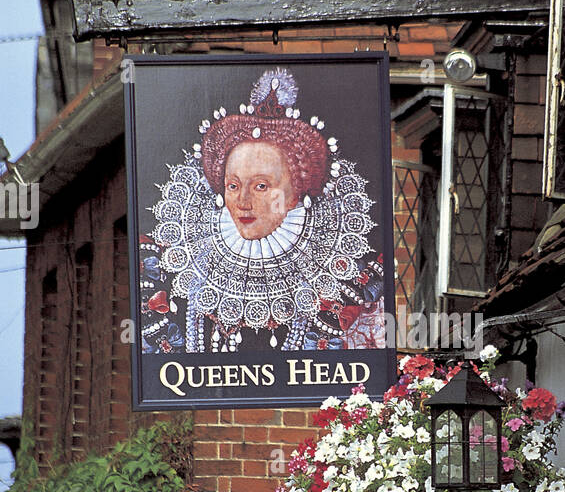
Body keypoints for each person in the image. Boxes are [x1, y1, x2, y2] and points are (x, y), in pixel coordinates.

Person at [139, 68, 385, 355]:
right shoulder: (168, 270)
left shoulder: (348, 282)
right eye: (232, 185)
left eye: (260, 186)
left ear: (297, 193)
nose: (243, 201)